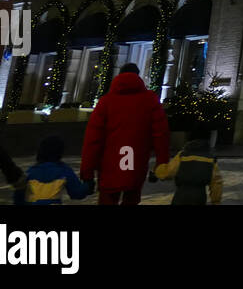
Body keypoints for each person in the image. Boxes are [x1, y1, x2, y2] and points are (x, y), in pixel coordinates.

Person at [79, 63, 170, 205]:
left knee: (108, 198)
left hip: (109, 164)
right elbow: (161, 135)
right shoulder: (150, 100)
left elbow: (93, 140)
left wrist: (87, 173)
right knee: (132, 197)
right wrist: (161, 164)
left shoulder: (106, 102)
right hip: (136, 161)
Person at [154, 125, 223, 205]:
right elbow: (217, 183)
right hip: (199, 198)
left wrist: (157, 170)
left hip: (181, 197)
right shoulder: (210, 159)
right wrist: (216, 201)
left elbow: (168, 172)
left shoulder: (182, 156)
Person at [16, 134, 92, 205]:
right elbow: (77, 194)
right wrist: (88, 185)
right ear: (60, 152)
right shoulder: (64, 170)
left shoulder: (30, 172)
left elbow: (18, 198)